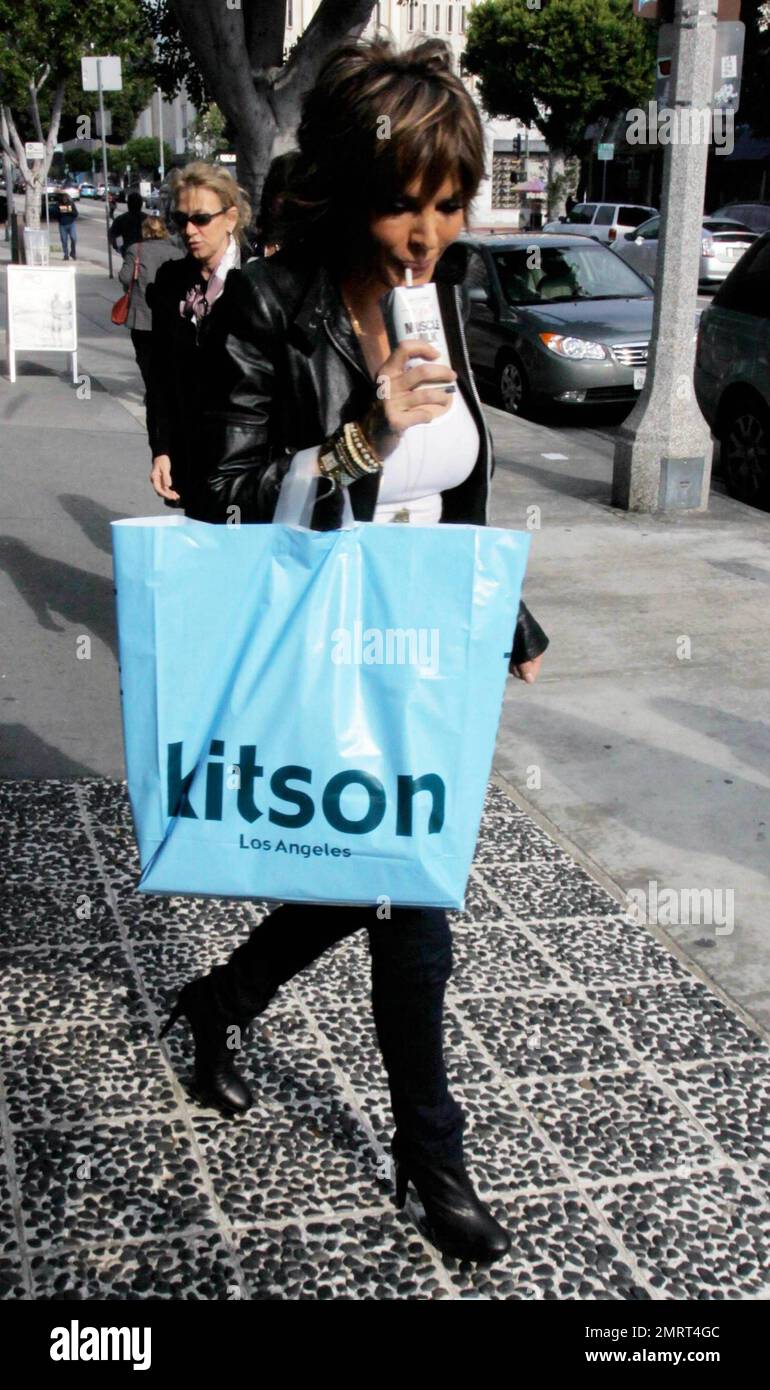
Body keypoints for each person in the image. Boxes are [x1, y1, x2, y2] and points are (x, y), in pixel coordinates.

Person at [158, 38, 549, 1266]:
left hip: (420, 632)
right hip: (314, 633)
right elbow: (221, 501)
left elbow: (463, 474)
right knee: (405, 891)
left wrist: (504, 616)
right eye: (402, 202)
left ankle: (220, 999)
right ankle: (432, 1153)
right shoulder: (268, 307)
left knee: (375, 876)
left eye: (448, 202)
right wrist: (354, 442)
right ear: (343, 189)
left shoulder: (452, 287)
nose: (427, 231)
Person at [144, 161, 254, 510]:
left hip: (250, 462)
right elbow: (159, 374)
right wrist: (160, 449)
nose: (189, 230)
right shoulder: (171, 280)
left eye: (201, 219)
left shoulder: (260, 280)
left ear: (231, 218)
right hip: (189, 456)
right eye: (181, 220)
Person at [117, 215, 186, 440]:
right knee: (166, 354)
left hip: (142, 314)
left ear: (145, 231)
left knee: (144, 357)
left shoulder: (135, 249)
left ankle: (152, 388)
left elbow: (126, 277)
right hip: (169, 316)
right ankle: (161, 388)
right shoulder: (176, 253)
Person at [109, 190, 145, 255]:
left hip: (129, 252)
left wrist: (120, 248)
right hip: (145, 253)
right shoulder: (149, 219)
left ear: (128, 204)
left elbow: (112, 236)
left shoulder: (121, 219)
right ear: (141, 204)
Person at [55, 191, 78, 260]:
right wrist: (60, 213)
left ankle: (73, 253)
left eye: (65, 198)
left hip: (71, 224)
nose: (64, 199)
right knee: (64, 240)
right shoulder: (58, 204)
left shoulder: (71, 204)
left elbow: (76, 213)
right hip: (62, 225)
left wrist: (69, 211)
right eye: (63, 198)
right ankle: (66, 254)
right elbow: (55, 214)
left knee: (74, 238)